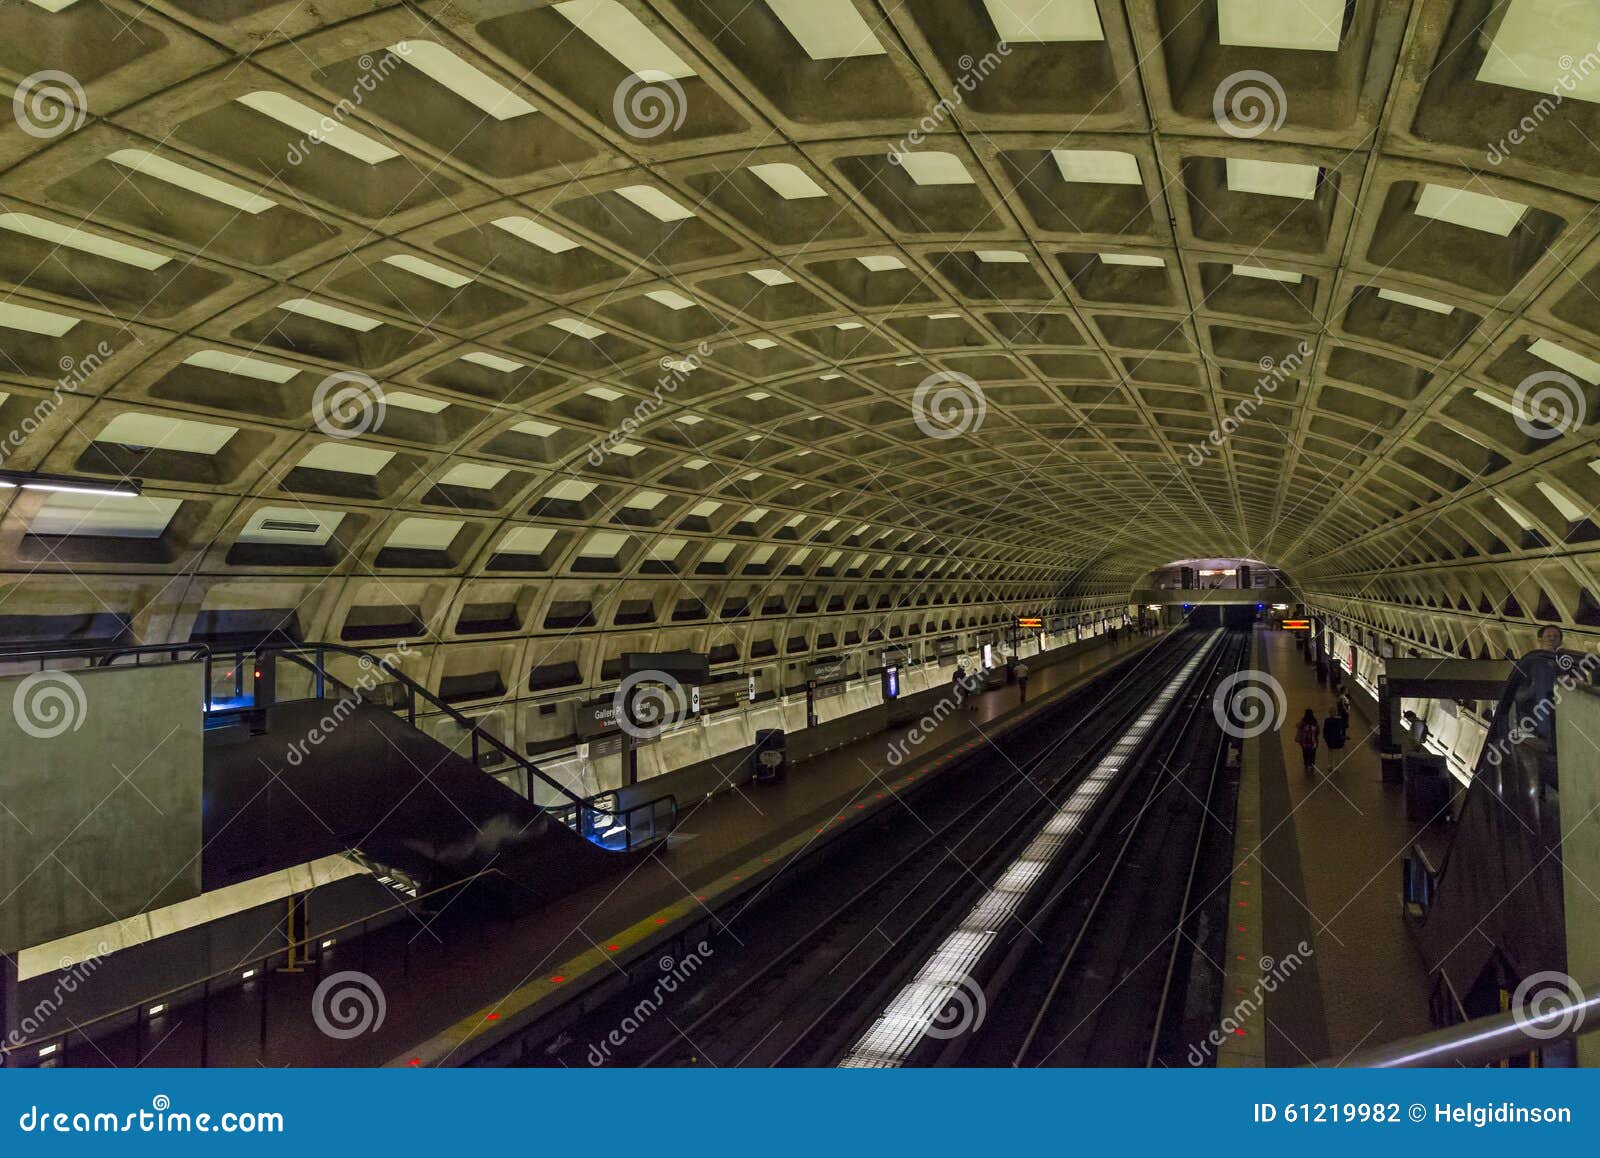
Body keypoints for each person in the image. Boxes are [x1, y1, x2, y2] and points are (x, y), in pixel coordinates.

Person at [1295, 708, 1320, 774]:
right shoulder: (1315, 722)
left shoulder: (1303, 722)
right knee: (1313, 755)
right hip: (1313, 742)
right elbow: (1318, 732)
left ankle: (1306, 765)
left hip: (1304, 743)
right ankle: (1312, 765)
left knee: (1305, 754)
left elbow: (1297, 726)